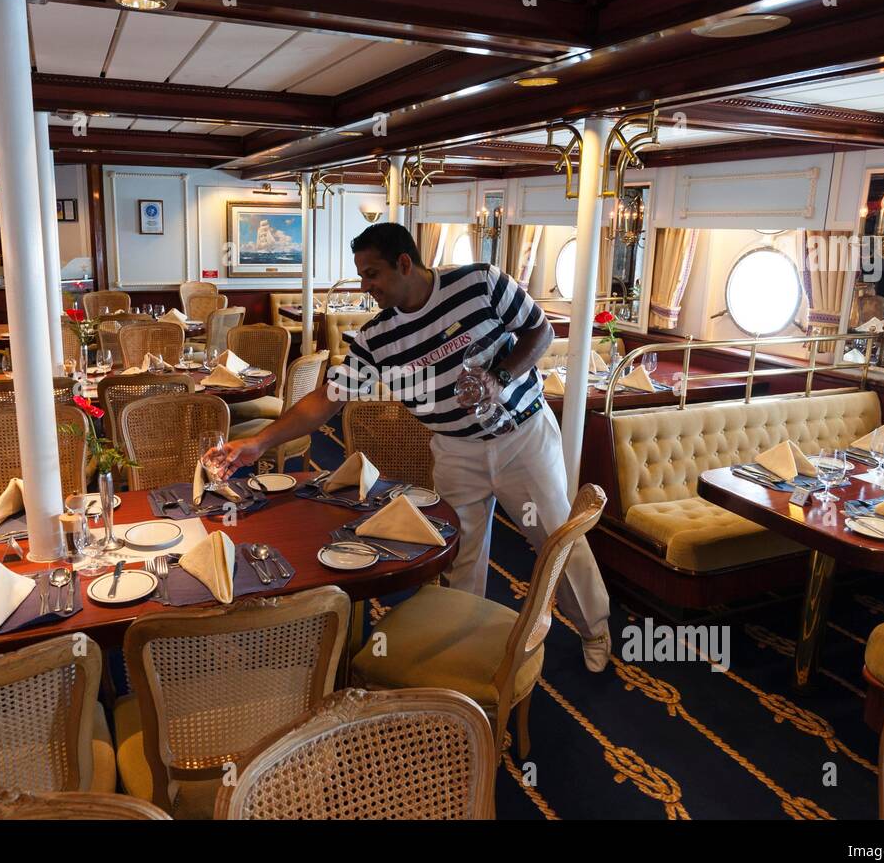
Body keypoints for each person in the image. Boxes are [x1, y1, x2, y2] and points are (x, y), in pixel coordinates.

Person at [211, 223, 612, 671]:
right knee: (460, 553)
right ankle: (464, 641)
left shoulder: (480, 283)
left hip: (522, 436)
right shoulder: (376, 339)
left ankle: (594, 628)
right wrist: (259, 442)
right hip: (455, 450)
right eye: (362, 276)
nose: (366, 287)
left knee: (555, 537)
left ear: (404, 263)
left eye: (372, 274)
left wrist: (499, 377)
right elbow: (326, 399)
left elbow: (540, 332)